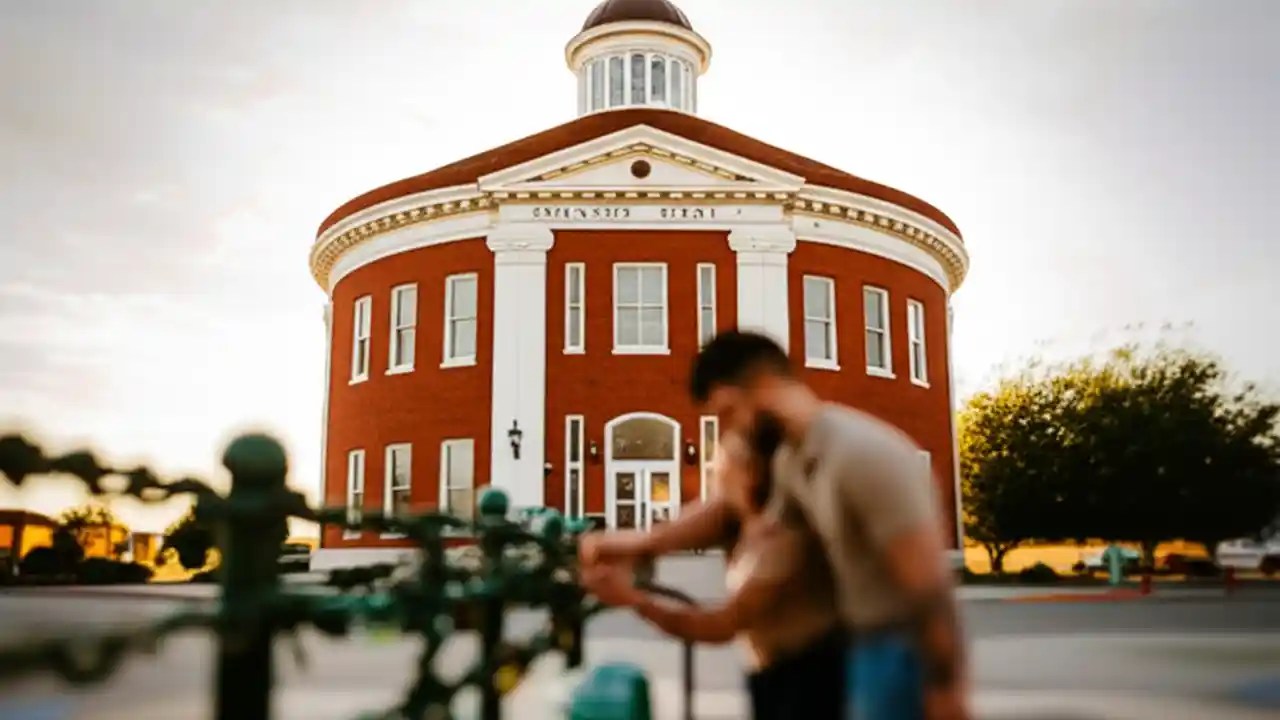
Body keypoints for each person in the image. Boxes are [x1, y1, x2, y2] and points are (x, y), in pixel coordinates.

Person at [580, 330, 969, 720]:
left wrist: (947, 691)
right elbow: (723, 511)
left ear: (762, 387)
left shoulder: (861, 454)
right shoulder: (792, 459)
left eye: (727, 413)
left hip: (900, 652)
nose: (729, 432)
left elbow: (930, 589)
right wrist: (638, 544)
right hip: (862, 653)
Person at [582, 430, 845, 719]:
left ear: (750, 472)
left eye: (722, 459)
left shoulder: (780, 537)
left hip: (808, 676)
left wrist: (635, 601)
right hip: (774, 671)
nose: (714, 467)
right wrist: (624, 544)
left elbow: (721, 624)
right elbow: (684, 527)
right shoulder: (739, 510)